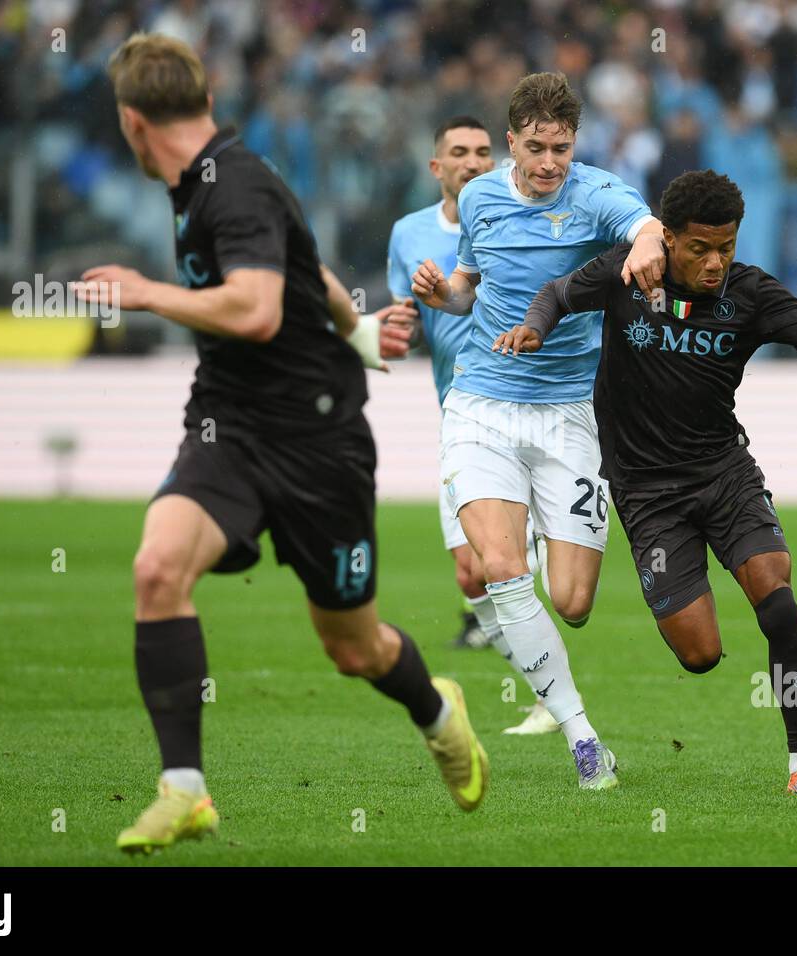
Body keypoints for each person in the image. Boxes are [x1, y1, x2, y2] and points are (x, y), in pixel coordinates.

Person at [73, 33, 489, 853]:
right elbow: (309, 269)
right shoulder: (211, 180)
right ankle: (184, 790)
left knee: (352, 647)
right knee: (157, 568)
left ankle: (438, 713)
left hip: (318, 438)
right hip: (228, 425)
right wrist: (358, 328)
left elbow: (259, 308)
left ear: (131, 122)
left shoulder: (235, 187)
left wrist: (148, 293)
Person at [493, 169, 797, 793]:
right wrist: (536, 327)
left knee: (777, 601)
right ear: (667, 239)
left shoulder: (751, 294)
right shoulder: (628, 273)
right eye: (701, 248)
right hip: (646, 494)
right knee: (699, 655)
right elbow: (557, 293)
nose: (717, 262)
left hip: (724, 474)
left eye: (727, 246)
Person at [411, 72, 667, 789]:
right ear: (511, 141)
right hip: (482, 405)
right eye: (536, 147)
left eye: (561, 147)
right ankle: (583, 738)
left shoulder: (596, 193)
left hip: (569, 414)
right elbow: (470, 288)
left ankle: (565, 693)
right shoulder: (483, 196)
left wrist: (648, 246)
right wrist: (447, 295)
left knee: (574, 602)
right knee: (499, 567)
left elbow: (646, 227)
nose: (550, 162)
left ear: (574, 142)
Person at [386, 115, 559, 734]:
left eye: (483, 151)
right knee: (470, 573)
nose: (472, 161)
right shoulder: (408, 233)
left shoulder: (524, 219)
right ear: (437, 167)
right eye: (458, 152)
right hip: (457, 415)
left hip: (528, 410)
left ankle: (553, 697)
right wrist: (393, 328)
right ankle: (544, 687)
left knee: (507, 563)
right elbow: (405, 320)